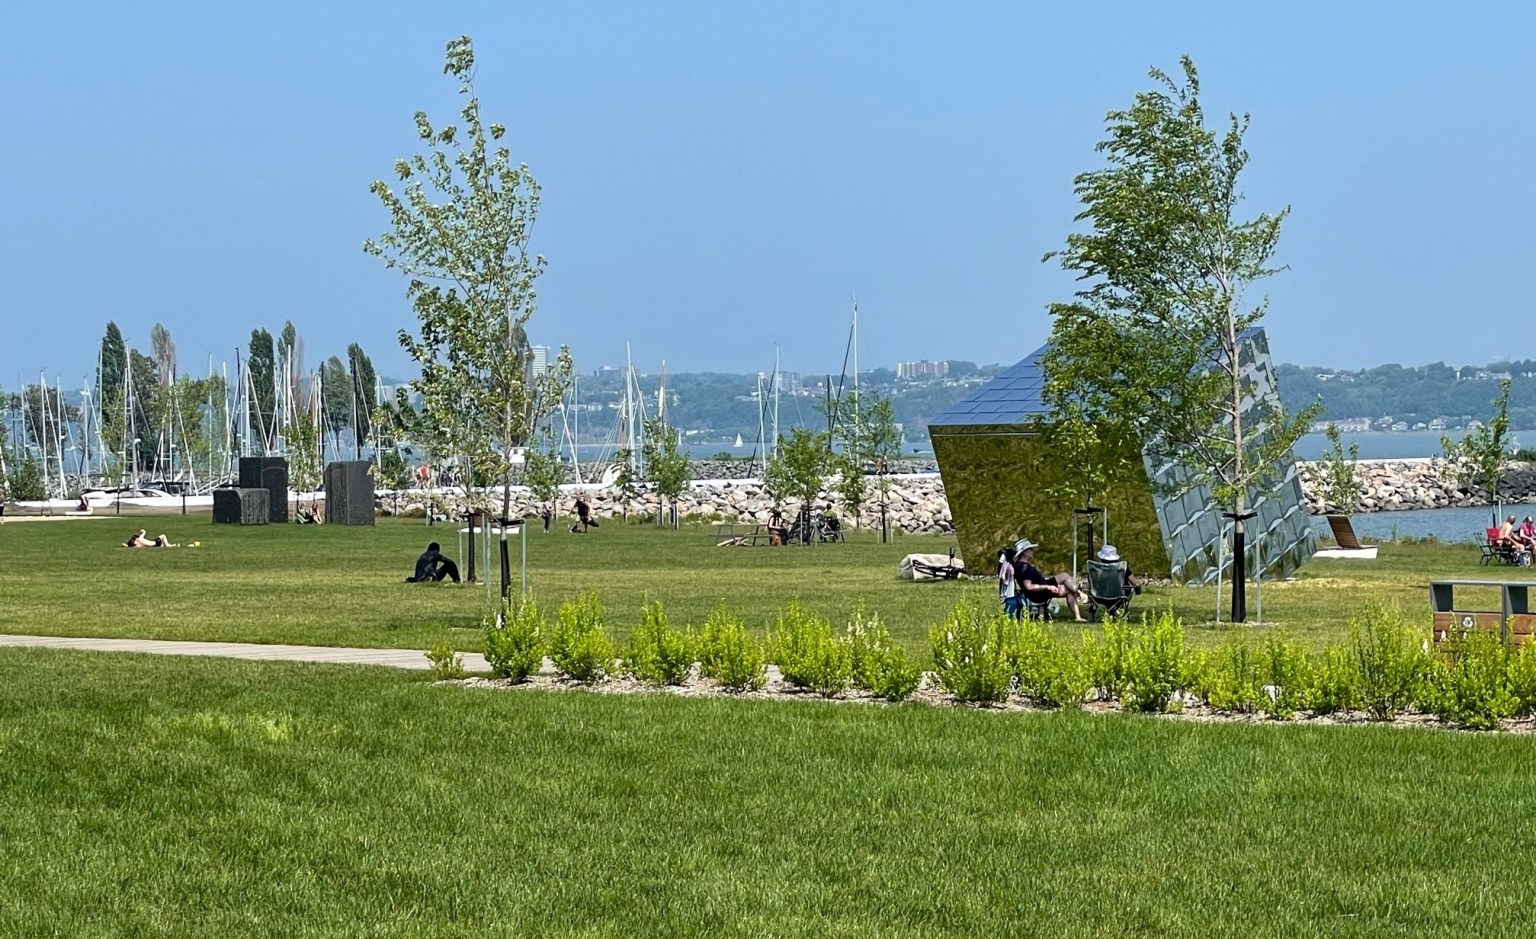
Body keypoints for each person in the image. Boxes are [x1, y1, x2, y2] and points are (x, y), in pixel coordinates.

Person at [1012, 538, 1086, 622]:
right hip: (1039, 593)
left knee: (1064, 575)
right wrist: (1048, 587)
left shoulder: (1022, 565)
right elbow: (1029, 586)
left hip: (1043, 585)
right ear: (1024, 552)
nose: (1033, 551)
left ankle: (1080, 595)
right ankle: (1080, 597)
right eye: (1031, 549)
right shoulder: (1024, 568)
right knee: (1068, 590)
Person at [997, 544, 1022, 619]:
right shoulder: (1005, 561)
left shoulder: (1007, 562)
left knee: (1011, 597)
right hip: (1009, 585)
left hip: (1010, 584)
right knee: (1010, 597)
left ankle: (1010, 614)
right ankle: (1009, 615)